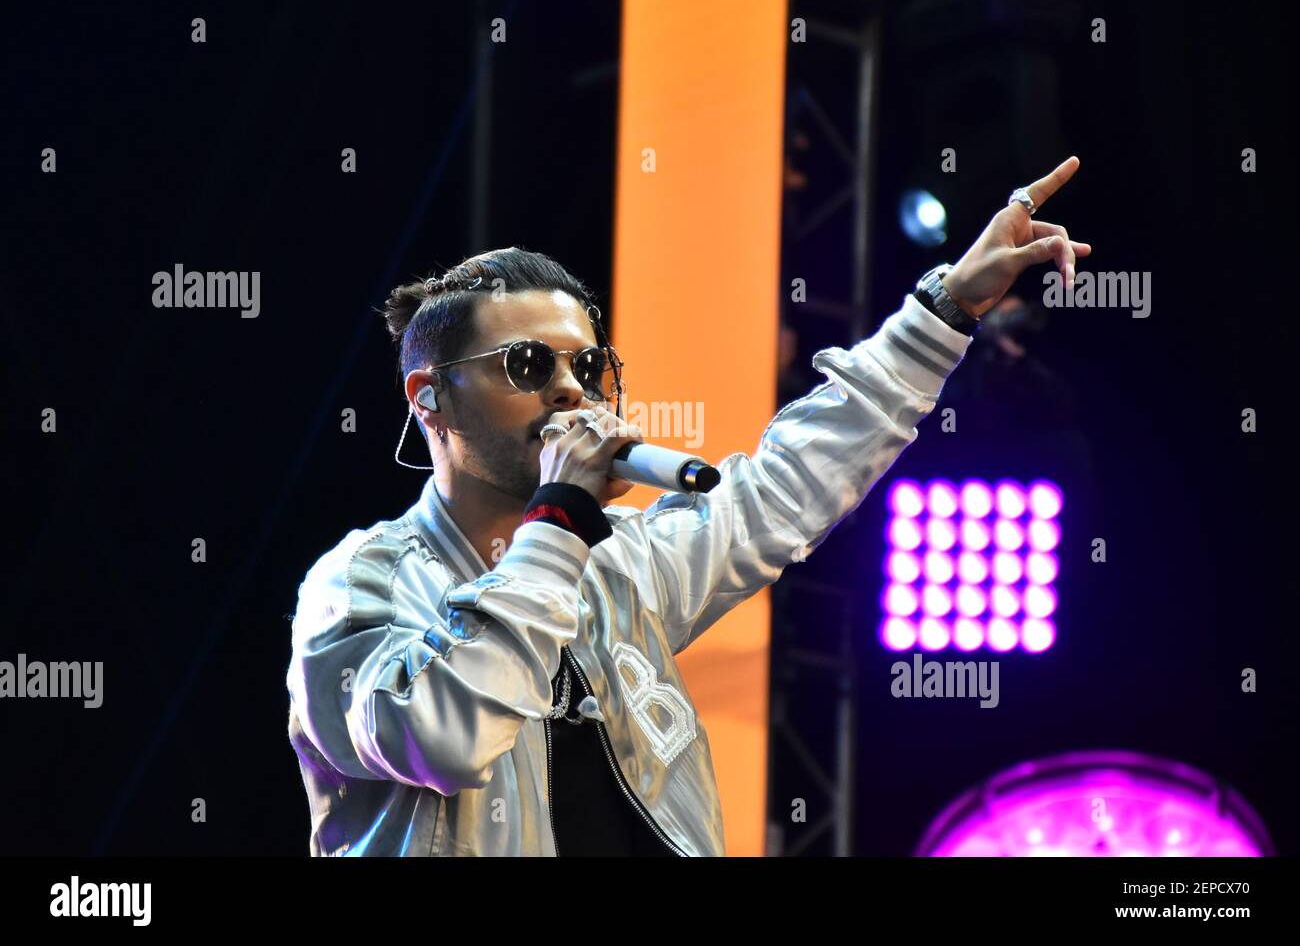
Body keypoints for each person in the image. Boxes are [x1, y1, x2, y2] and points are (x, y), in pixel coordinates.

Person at [285, 158, 1091, 856]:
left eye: (588, 364)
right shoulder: (357, 586)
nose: (570, 388)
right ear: (431, 400)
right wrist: (560, 517)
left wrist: (947, 306)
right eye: (528, 363)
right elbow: (445, 732)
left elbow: (785, 483)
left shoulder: (622, 562)